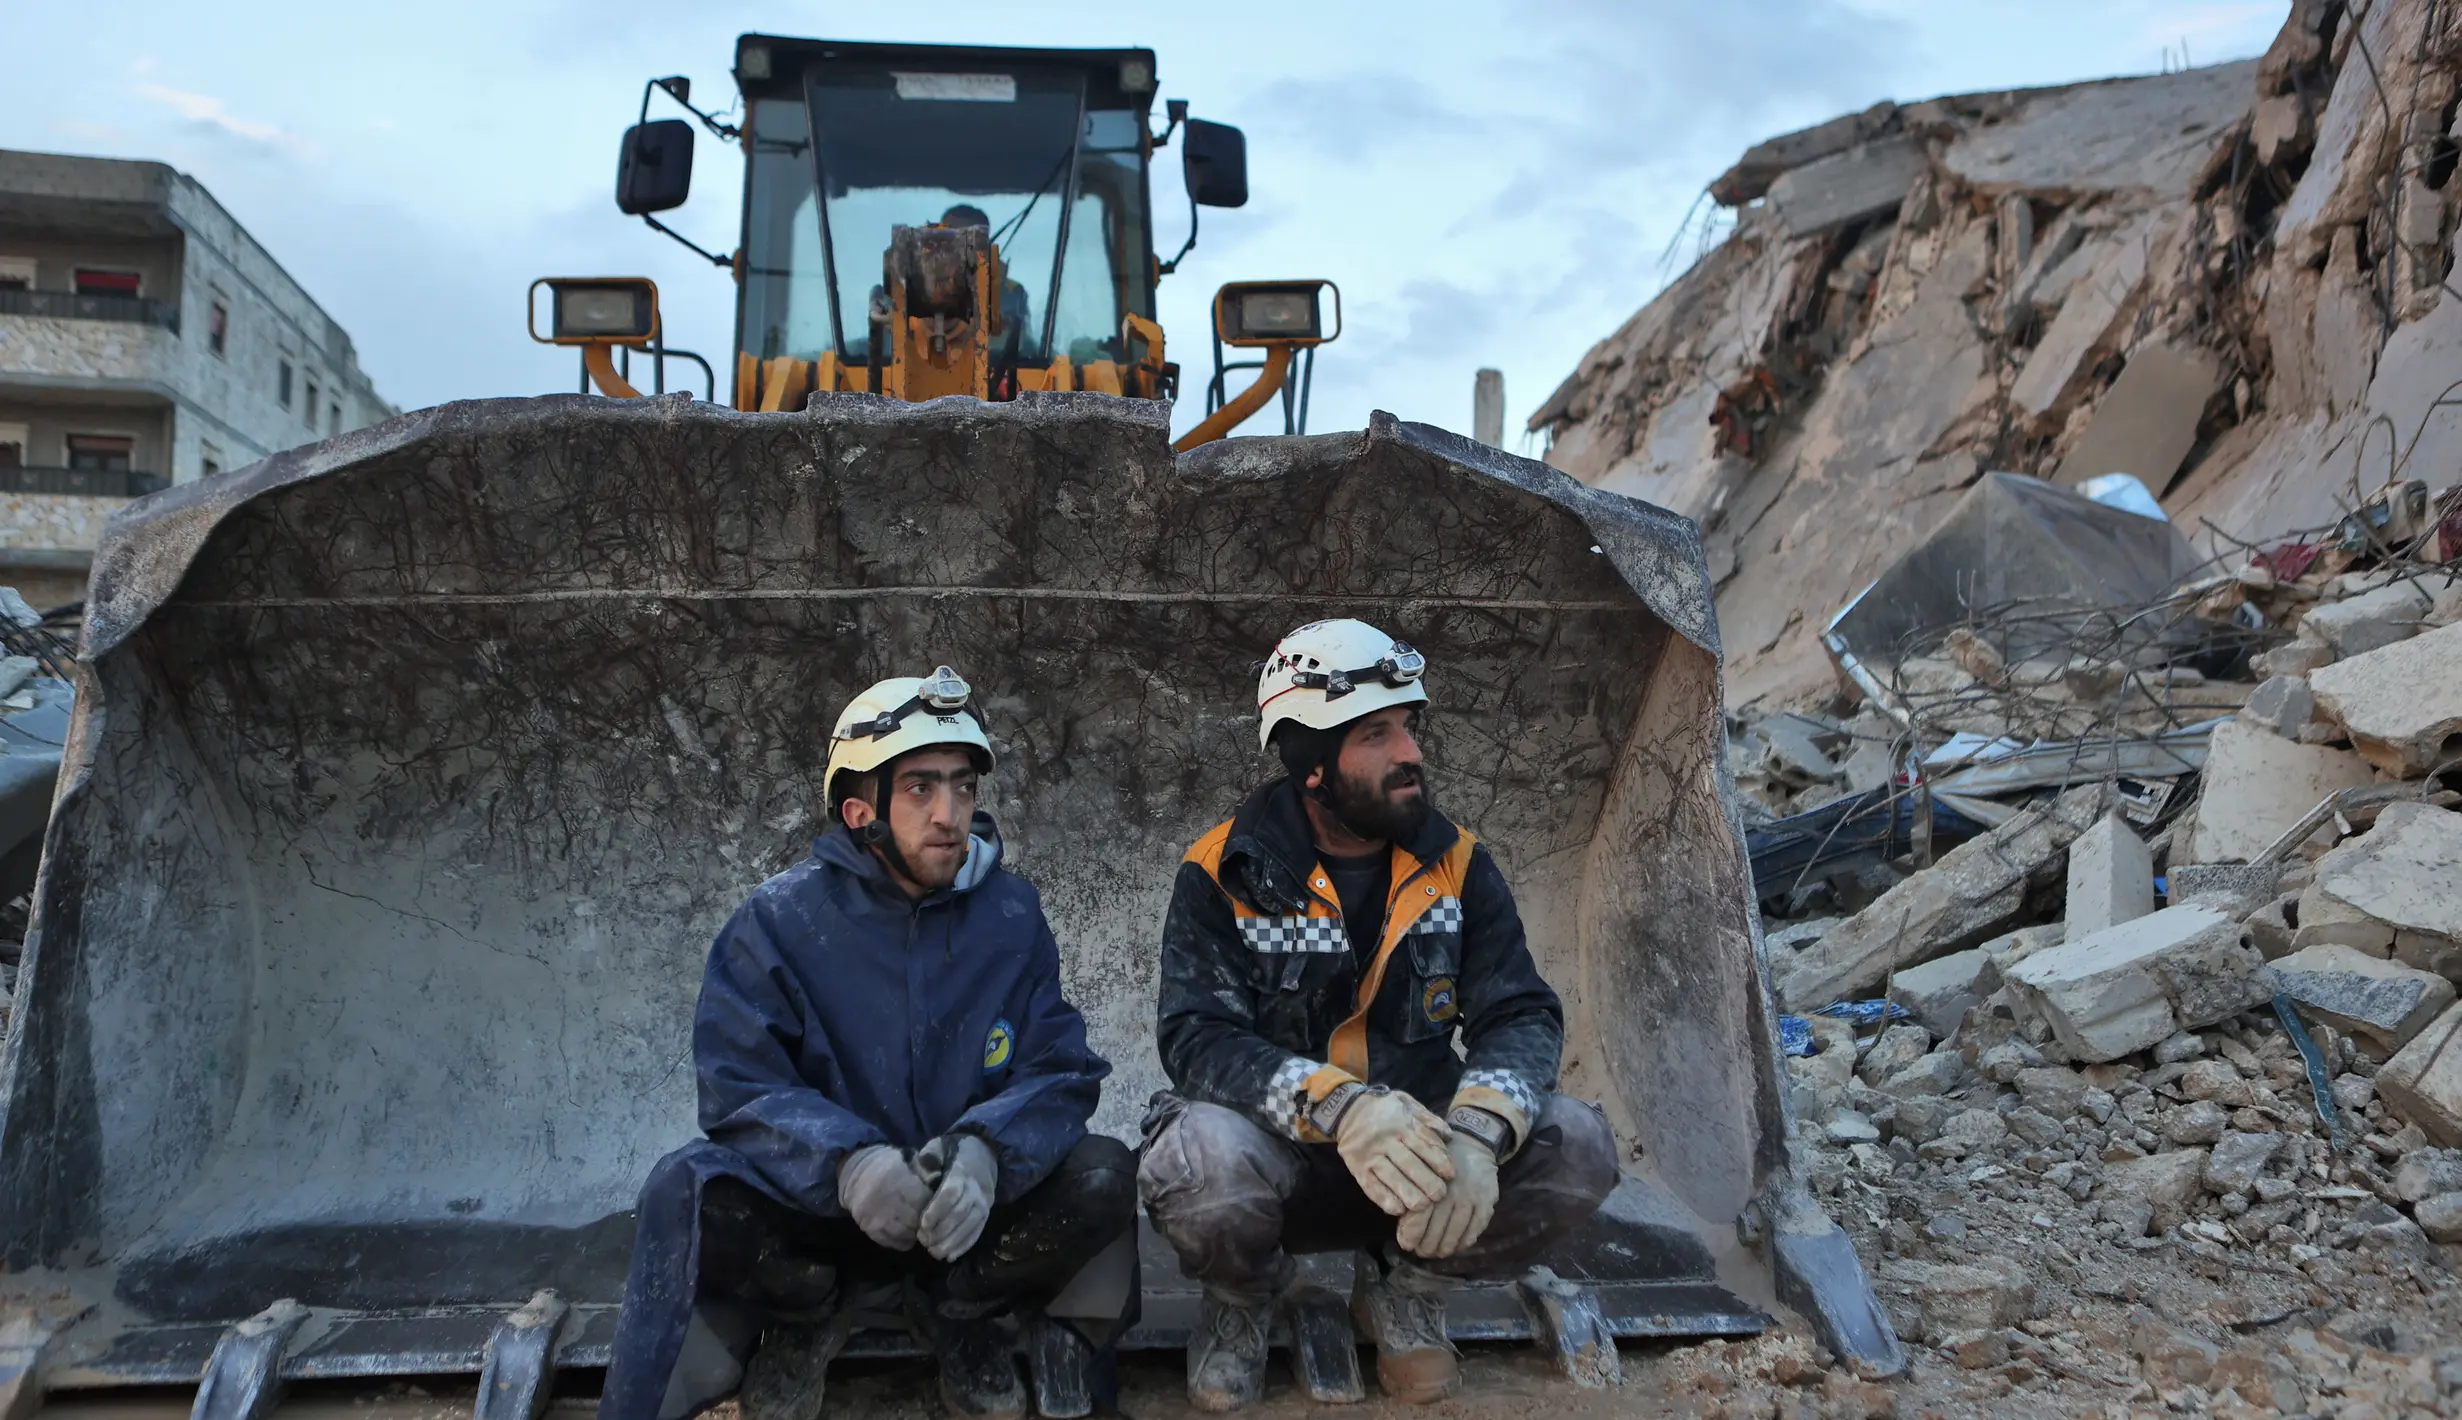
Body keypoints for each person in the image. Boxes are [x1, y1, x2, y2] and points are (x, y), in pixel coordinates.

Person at [601, 667, 1133, 1420]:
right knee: (689, 1188)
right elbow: (737, 1085)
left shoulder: (1012, 915)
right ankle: (805, 1318)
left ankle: (961, 1314)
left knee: (1103, 1174)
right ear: (860, 811)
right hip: (823, 1222)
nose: (950, 813)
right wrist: (848, 1165)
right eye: (921, 788)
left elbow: (1061, 1067)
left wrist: (987, 1150)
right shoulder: (779, 922)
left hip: (963, 1226)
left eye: (963, 787)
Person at [1139, 621, 1620, 1410]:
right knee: (1196, 1162)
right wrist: (1340, 1106)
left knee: (1579, 1147)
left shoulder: (1457, 862)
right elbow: (1196, 1038)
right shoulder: (1222, 869)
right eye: (1377, 734)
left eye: (1409, 728)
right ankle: (1241, 1303)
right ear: (1312, 765)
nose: (1411, 753)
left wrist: (1479, 1131)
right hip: (1283, 1159)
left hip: (1424, 1163)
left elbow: (1520, 1011)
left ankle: (1408, 1289)